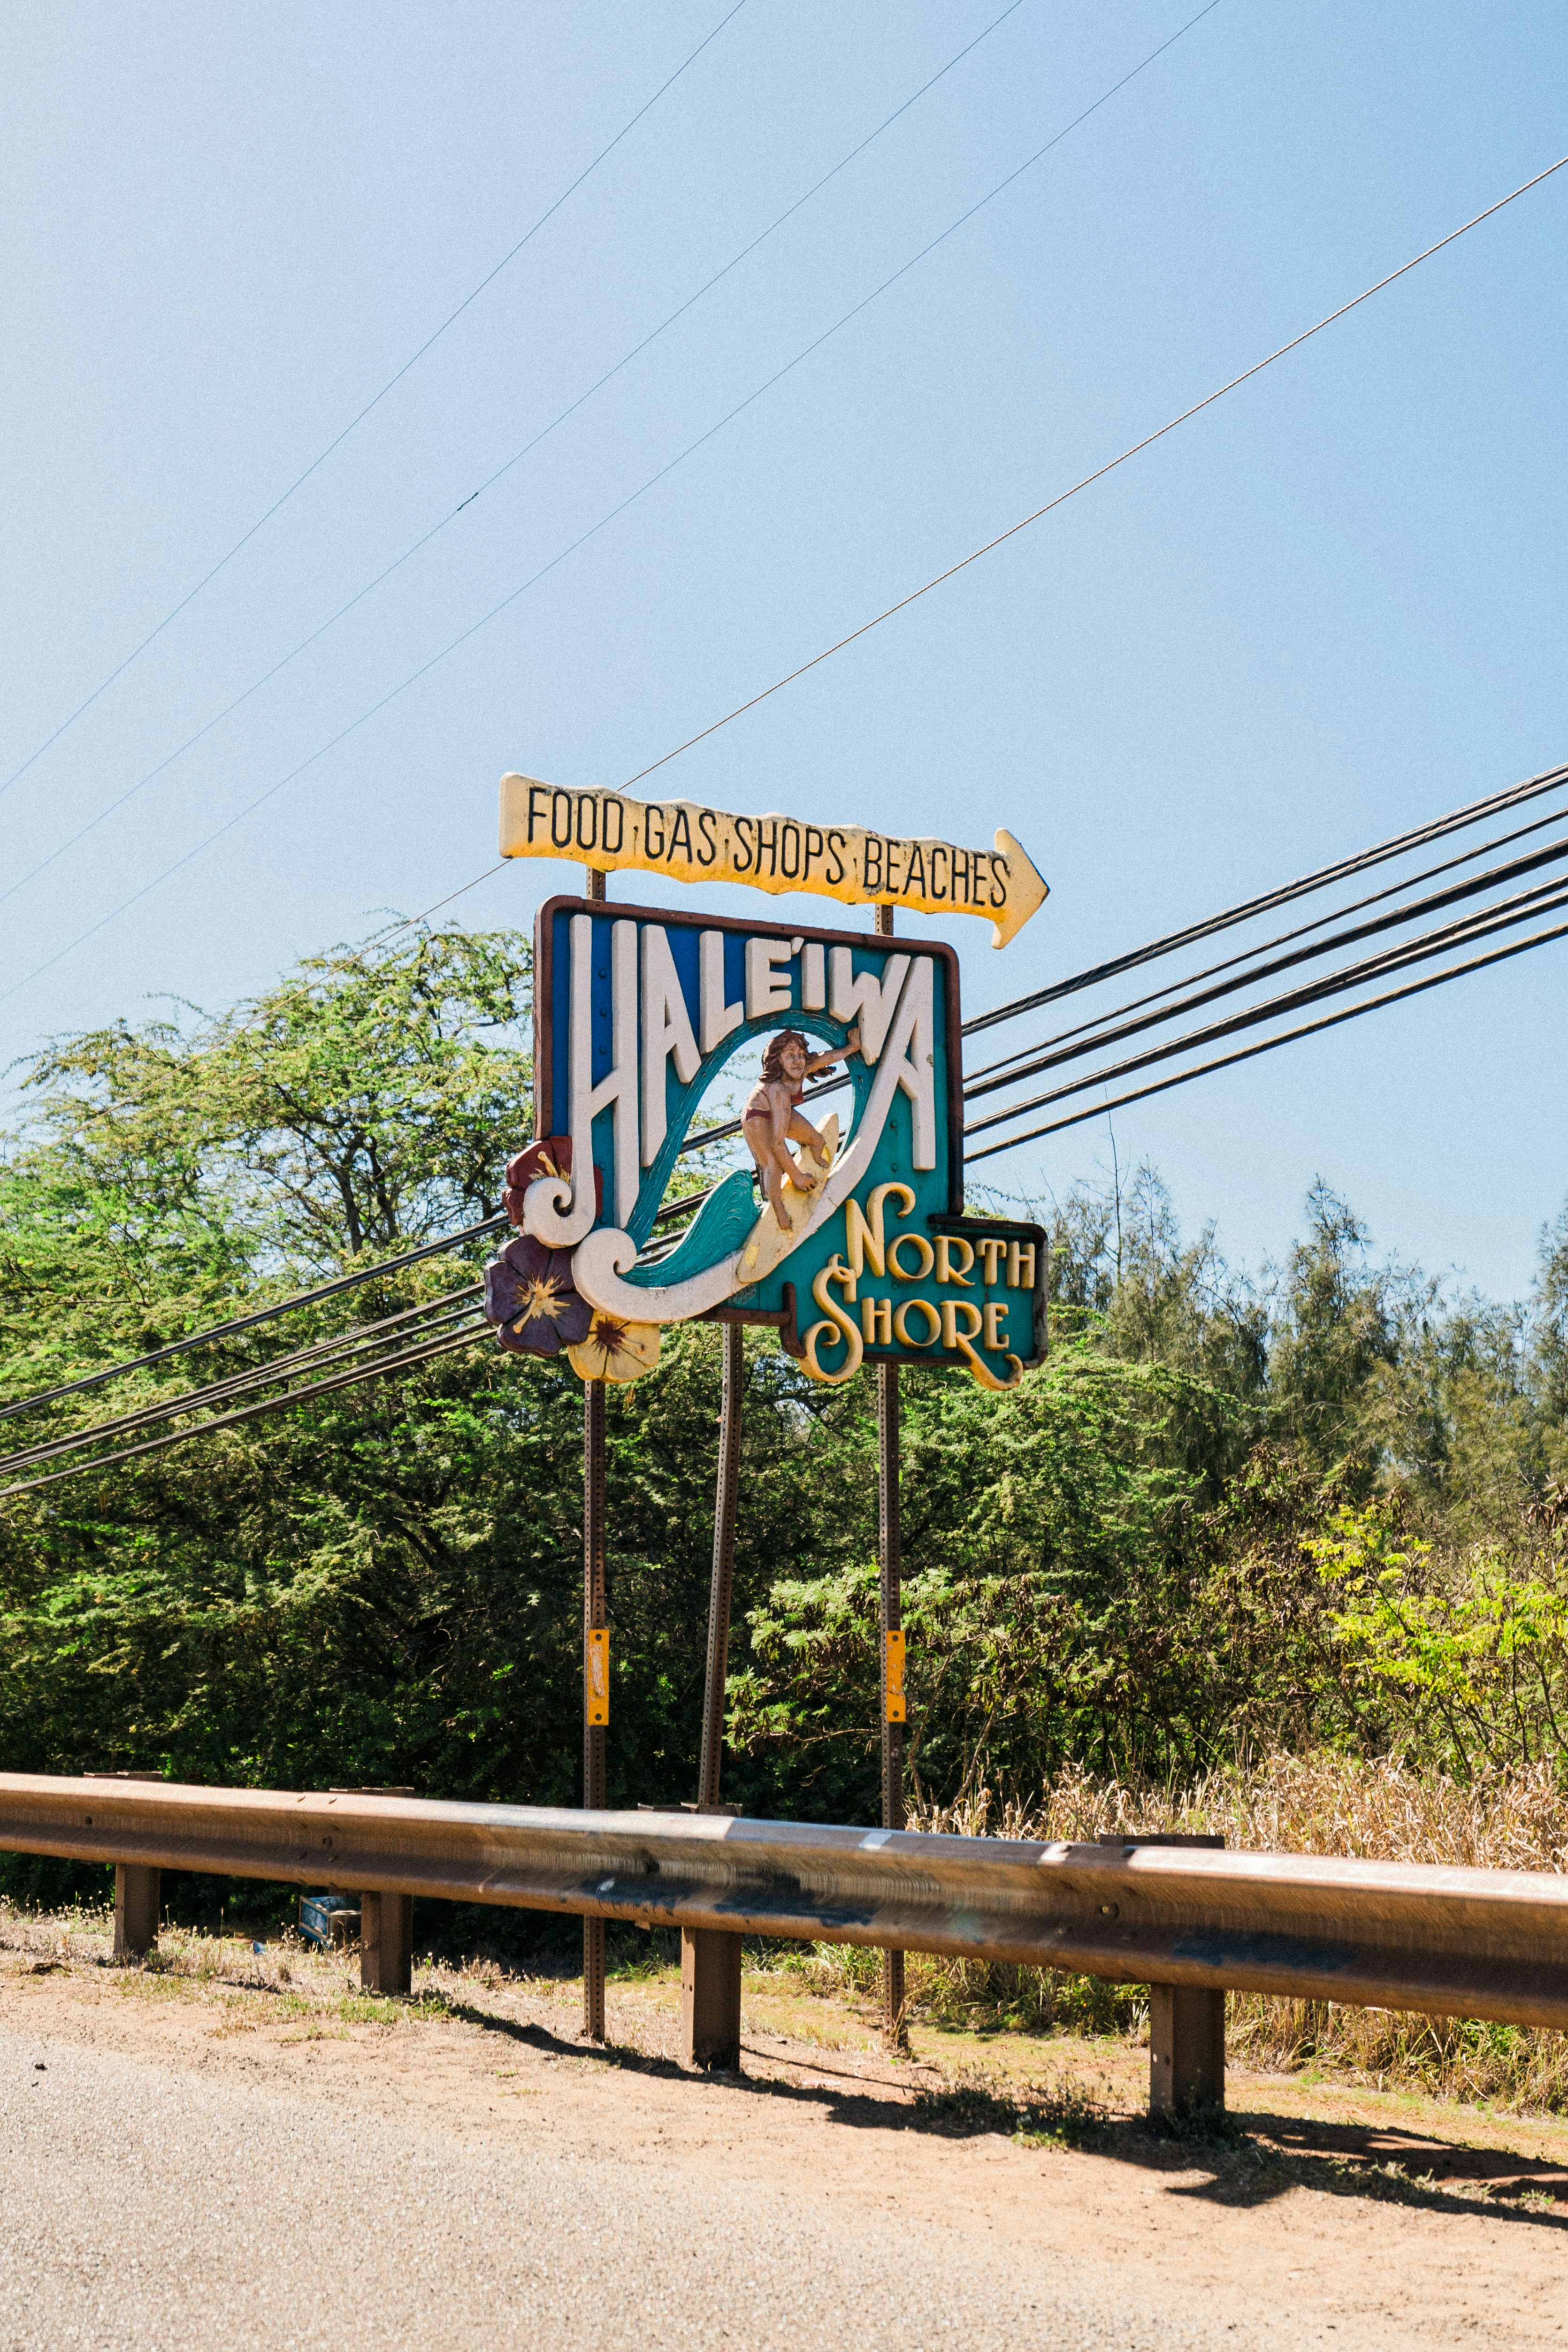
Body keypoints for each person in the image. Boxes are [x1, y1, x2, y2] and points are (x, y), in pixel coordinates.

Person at [742, 1026, 859, 1228]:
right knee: (772, 1163)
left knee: (816, 1140)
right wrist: (797, 1177)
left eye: (800, 1055)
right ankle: (778, 1212)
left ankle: (814, 1162)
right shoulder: (778, 1089)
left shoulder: (802, 1067)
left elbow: (825, 1058)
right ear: (778, 1060)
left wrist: (852, 1048)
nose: (797, 1061)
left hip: (778, 1110)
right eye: (790, 1056)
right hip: (758, 1117)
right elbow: (778, 1143)